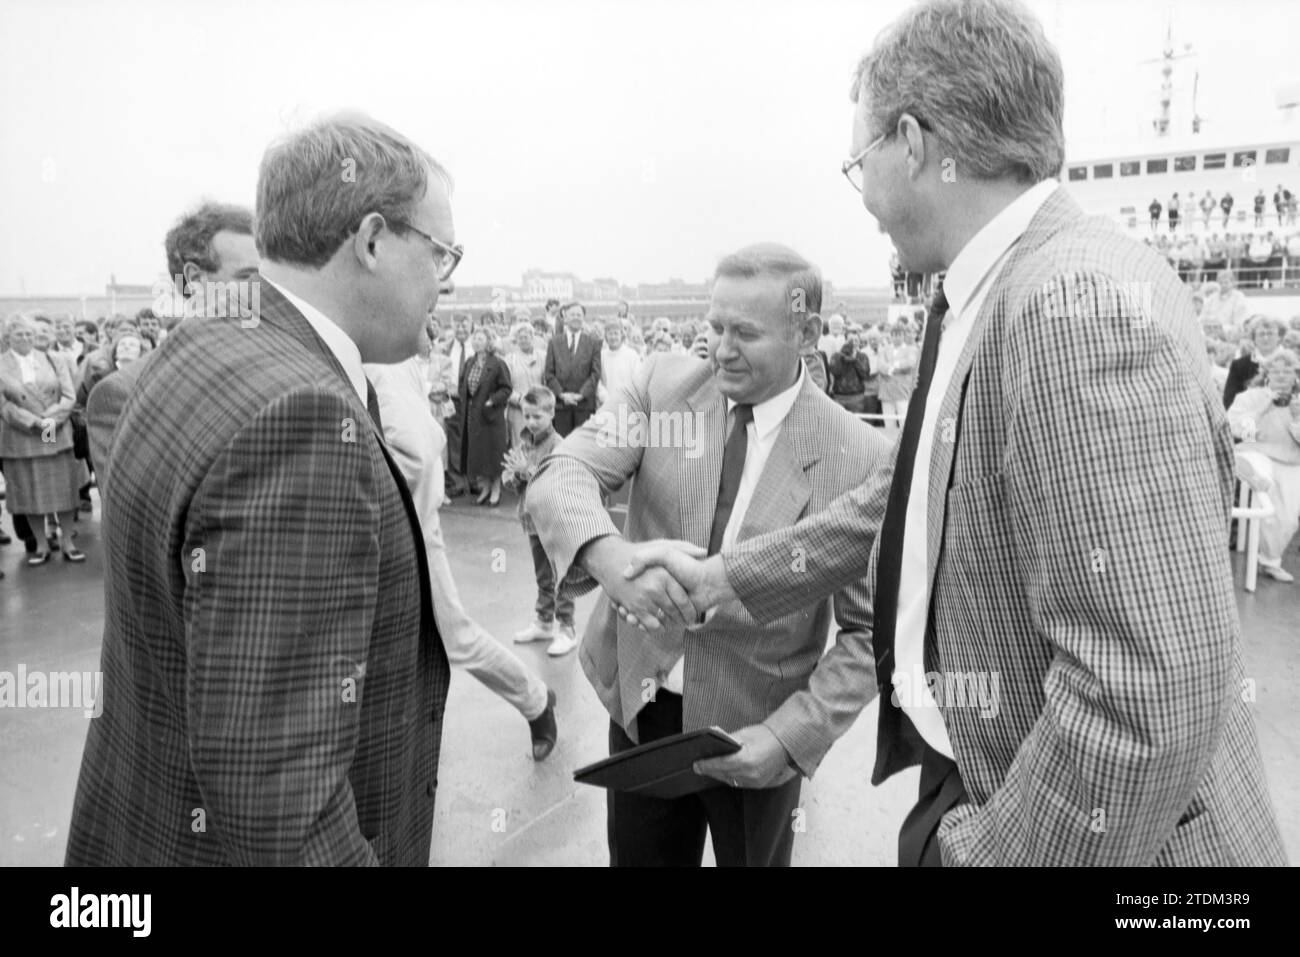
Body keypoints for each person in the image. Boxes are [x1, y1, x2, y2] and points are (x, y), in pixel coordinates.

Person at [626, 0, 1286, 867]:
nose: (863, 199)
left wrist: (979, 856)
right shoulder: (998, 290)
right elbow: (897, 504)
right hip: (995, 783)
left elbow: (1147, 689)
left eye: (859, 162)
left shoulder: (1072, 306)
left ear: (912, 142)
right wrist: (721, 576)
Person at [65, 113, 454, 866]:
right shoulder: (302, 417)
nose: (444, 281)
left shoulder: (206, 342)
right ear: (372, 241)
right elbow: (281, 803)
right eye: (441, 253)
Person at [528, 243, 888, 867]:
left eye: (745, 333)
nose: (721, 349)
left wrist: (790, 736)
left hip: (757, 732)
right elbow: (559, 477)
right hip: (642, 707)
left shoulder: (858, 454)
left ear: (808, 333)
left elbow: (866, 633)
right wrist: (612, 563)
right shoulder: (661, 390)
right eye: (714, 326)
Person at [366, 347, 558, 758]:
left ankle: (536, 700)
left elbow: (418, 450)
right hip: (386, 524)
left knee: (455, 636)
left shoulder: (377, 357)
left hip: (404, 524)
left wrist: (391, 525)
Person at [86, 202, 259, 502]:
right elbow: (138, 528)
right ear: (195, 278)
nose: (264, 291)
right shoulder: (123, 394)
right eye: (247, 278)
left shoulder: (290, 365)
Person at [0, 314, 85, 564]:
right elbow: (4, 405)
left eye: (29, 334)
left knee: (65, 490)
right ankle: (40, 545)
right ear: (8, 338)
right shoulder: (1, 364)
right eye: (19, 334)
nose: (26, 338)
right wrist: (33, 422)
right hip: (20, 437)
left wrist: (49, 421)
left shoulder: (54, 359)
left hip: (53, 431)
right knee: (29, 494)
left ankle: (68, 541)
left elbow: (69, 396)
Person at [508, 387, 581, 657]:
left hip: (553, 522)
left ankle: (567, 627)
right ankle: (543, 620)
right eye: (526, 416)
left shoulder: (558, 443)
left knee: (561, 574)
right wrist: (516, 477)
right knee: (542, 575)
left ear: (551, 413)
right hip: (531, 519)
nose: (530, 422)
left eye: (537, 416)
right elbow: (519, 485)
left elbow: (560, 480)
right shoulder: (525, 441)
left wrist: (533, 473)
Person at [1227, 349, 1300, 582]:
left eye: (1286, 371)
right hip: (1256, 453)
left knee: (1288, 517)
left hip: (1290, 461)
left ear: (1295, 375)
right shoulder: (1250, 396)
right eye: (1275, 370)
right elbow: (1243, 434)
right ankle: (1256, 479)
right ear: (1266, 373)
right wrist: (1264, 407)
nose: (1281, 375)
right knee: (1263, 480)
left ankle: (1269, 561)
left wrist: (1297, 418)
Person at [457, 328, 511, 506]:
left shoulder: (497, 363)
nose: (476, 342)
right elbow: (462, 384)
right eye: (475, 339)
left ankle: (496, 488)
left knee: (493, 454)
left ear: (488, 342)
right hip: (473, 416)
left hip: (490, 416)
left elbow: (506, 389)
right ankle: (486, 488)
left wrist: (492, 401)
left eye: (480, 339)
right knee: (479, 455)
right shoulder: (470, 362)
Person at [544, 301, 601, 436]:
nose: (576, 317)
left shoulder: (593, 343)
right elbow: (549, 373)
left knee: (583, 446)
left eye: (579, 315)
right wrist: (562, 395)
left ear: (583, 318)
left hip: (584, 405)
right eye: (572, 314)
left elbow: (595, 373)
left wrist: (581, 394)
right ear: (565, 318)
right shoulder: (554, 342)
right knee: (562, 446)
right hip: (560, 406)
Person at [442, 315, 475, 496]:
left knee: (473, 440)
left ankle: (474, 479)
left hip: (473, 401)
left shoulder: (479, 346)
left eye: (465, 325)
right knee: (454, 440)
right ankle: (457, 481)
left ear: (471, 326)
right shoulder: (444, 349)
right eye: (457, 325)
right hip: (452, 401)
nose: (461, 329)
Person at [1224, 316, 1286, 410]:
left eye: (1270, 334)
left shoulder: (1292, 362)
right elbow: (1229, 400)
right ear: (1253, 338)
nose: (1266, 338)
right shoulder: (1239, 365)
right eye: (1261, 334)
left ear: (1279, 337)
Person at [504, 321, 545, 448]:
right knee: (521, 445)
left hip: (540, 408)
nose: (523, 340)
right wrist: (520, 400)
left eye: (526, 337)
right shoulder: (510, 359)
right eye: (520, 338)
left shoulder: (544, 356)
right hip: (518, 410)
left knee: (541, 444)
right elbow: (505, 386)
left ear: (533, 338)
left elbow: (548, 381)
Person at [827, 325, 871, 413]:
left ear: (859, 342)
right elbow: (835, 372)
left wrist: (855, 359)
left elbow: (865, 375)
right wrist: (842, 357)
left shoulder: (863, 356)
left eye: (856, 340)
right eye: (850, 340)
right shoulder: (836, 356)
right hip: (839, 397)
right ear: (845, 341)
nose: (853, 343)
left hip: (856, 397)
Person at [598, 316, 640, 405]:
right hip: (606, 404)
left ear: (622, 335)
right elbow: (598, 382)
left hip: (627, 404)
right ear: (606, 336)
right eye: (610, 334)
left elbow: (637, 381)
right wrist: (606, 398)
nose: (613, 337)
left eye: (616, 333)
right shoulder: (601, 356)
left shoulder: (632, 355)